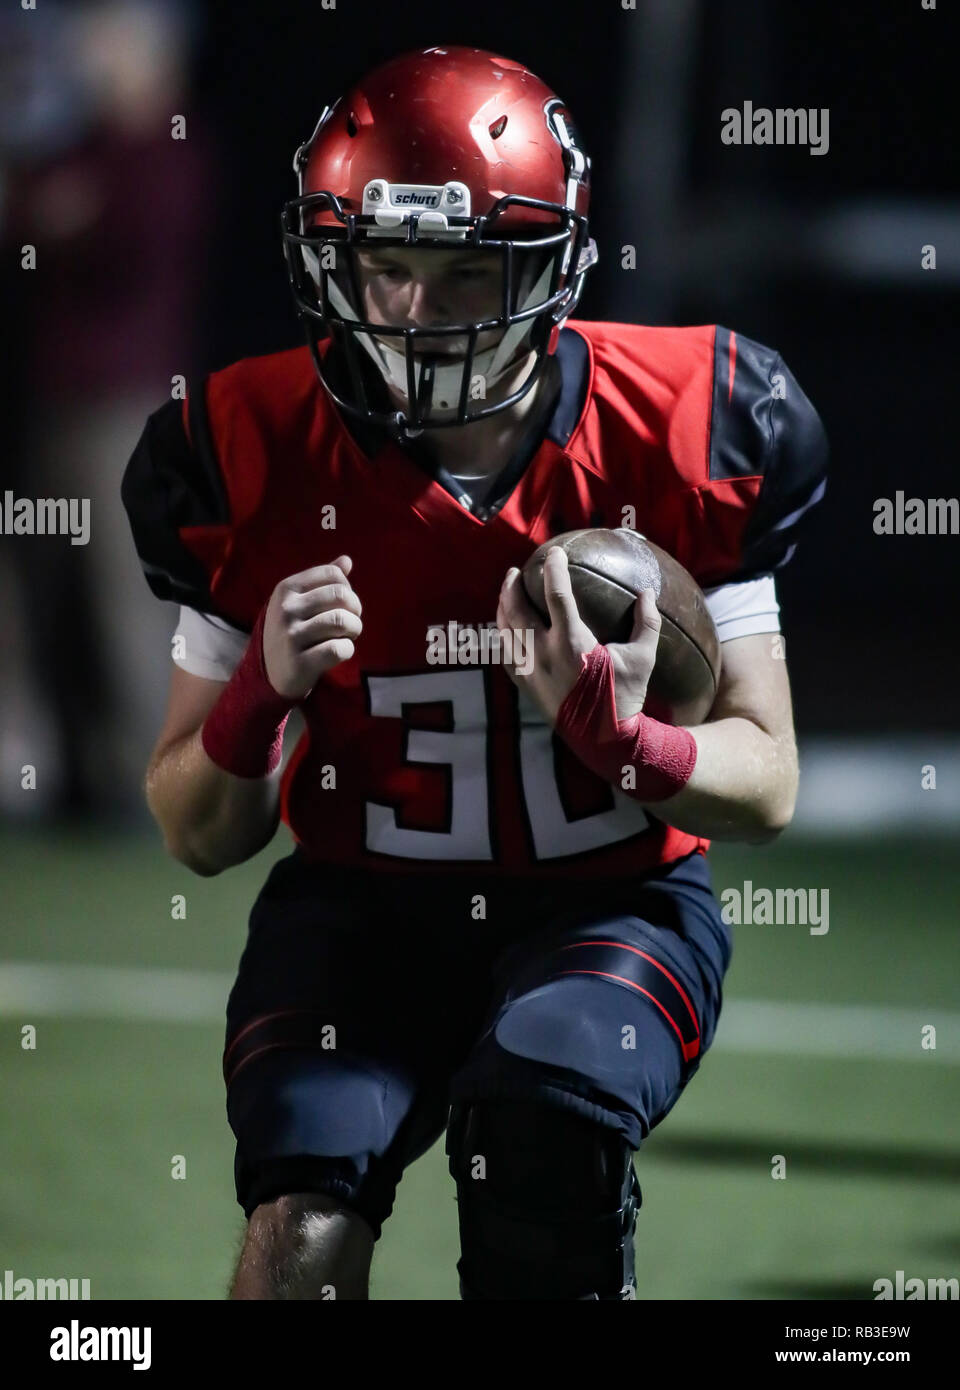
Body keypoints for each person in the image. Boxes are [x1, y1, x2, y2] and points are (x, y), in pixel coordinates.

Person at [122, 46, 828, 1300]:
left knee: (541, 1134)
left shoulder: (689, 424)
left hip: (608, 901)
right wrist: (255, 699)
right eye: (384, 267)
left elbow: (765, 785)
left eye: (462, 272)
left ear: (551, 268)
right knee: (304, 1211)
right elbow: (194, 831)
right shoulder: (242, 450)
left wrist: (624, 743)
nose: (408, 310)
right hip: (364, 910)